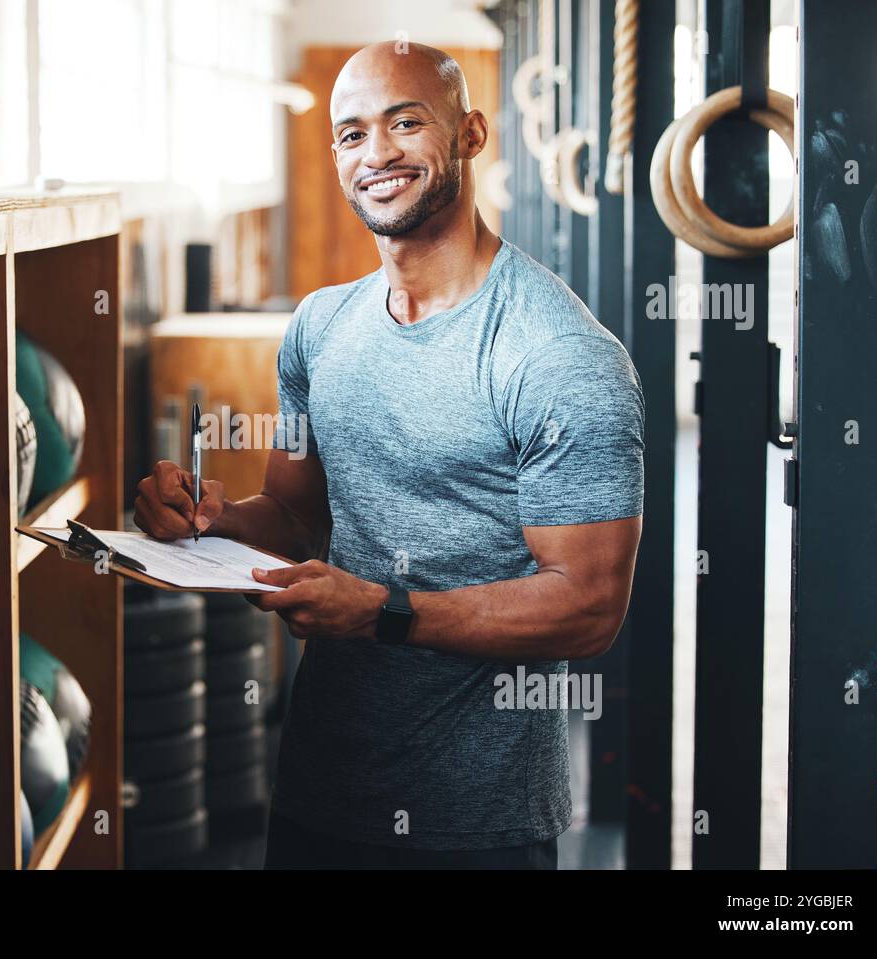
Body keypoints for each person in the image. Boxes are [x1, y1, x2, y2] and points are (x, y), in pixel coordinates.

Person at [133, 41, 644, 869]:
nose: (377, 154)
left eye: (406, 123)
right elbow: (297, 519)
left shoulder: (558, 355)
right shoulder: (320, 327)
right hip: (317, 793)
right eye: (351, 134)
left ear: (471, 134)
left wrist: (383, 610)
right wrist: (207, 522)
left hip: (480, 823)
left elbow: (587, 606)